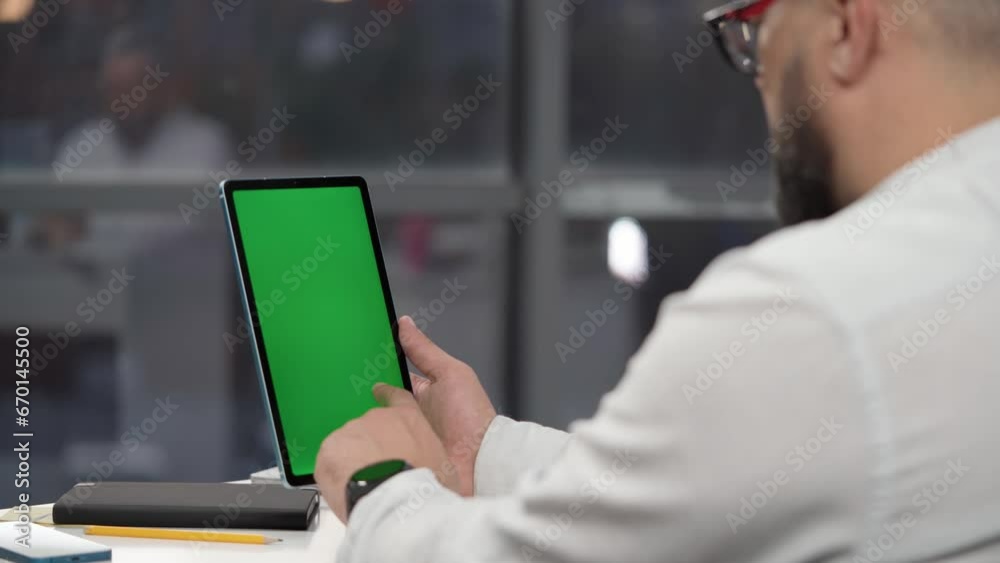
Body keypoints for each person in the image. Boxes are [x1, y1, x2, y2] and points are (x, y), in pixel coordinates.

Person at [317, 1, 1000, 561]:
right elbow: (710, 495)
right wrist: (487, 446)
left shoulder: (813, 310)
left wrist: (385, 487)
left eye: (753, 33)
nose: (759, 77)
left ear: (847, 31)